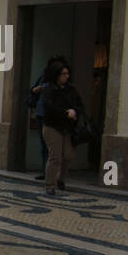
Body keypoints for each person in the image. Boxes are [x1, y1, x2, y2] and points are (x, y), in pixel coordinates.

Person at [40, 59, 85, 196]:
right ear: (56, 75)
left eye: (67, 73)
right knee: (55, 157)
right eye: (63, 74)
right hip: (52, 126)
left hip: (67, 128)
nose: (66, 76)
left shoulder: (72, 89)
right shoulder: (49, 89)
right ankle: (50, 184)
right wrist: (66, 113)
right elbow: (49, 107)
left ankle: (60, 178)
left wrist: (75, 112)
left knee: (68, 155)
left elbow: (80, 105)